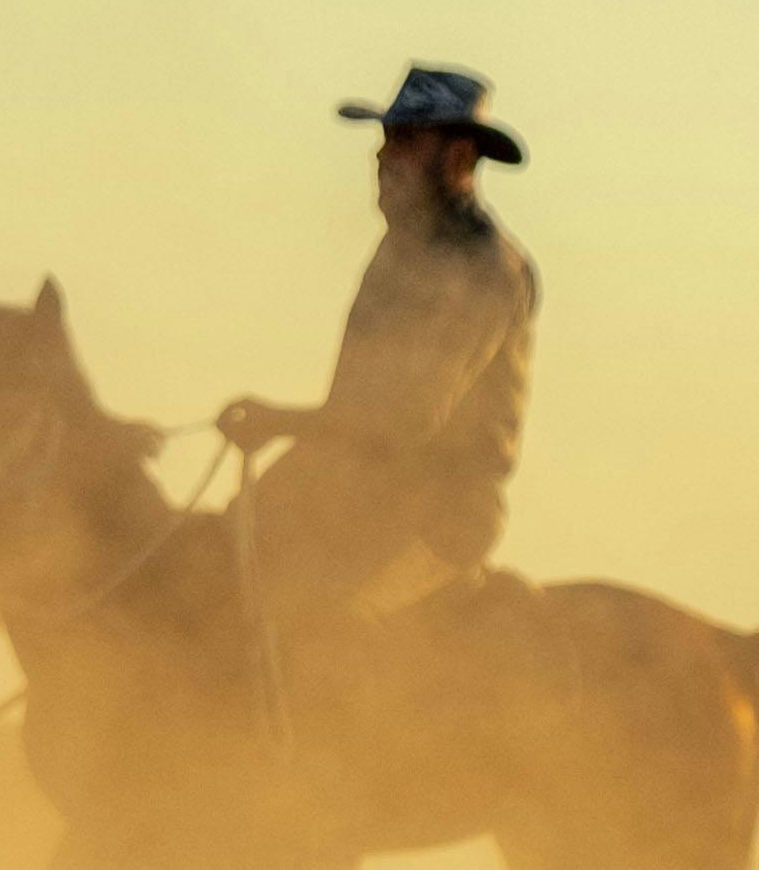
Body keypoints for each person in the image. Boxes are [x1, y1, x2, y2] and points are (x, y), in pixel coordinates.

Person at [219, 66, 539, 637]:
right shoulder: (403, 247)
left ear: (459, 160)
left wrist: (279, 421)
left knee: (330, 633)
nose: (383, 157)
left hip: (437, 516)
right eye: (386, 140)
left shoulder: (485, 269)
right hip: (354, 493)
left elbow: (406, 418)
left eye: (407, 141)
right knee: (213, 569)